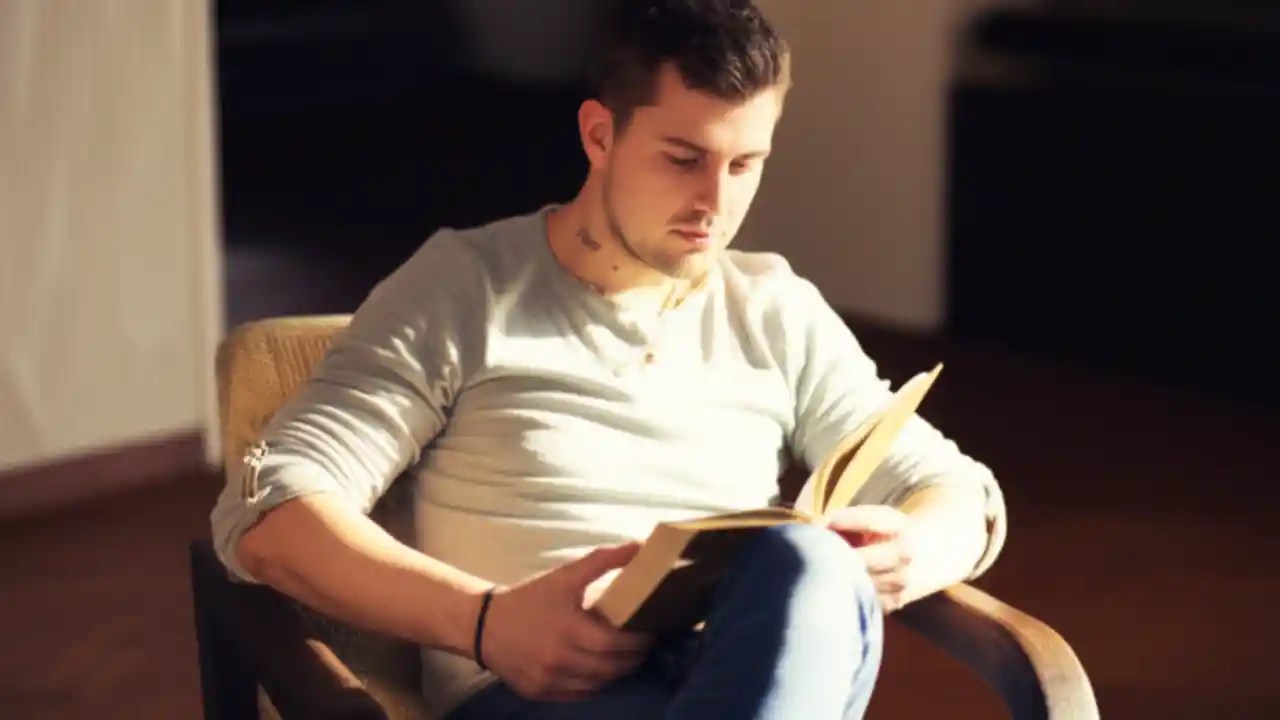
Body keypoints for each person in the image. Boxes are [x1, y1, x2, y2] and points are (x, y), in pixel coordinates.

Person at [210, 1, 1007, 718]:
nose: (714, 206)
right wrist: (485, 621)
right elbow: (266, 508)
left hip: (732, 673)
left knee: (802, 560)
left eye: (744, 165)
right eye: (683, 157)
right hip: (537, 694)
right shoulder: (464, 286)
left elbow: (957, 489)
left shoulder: (775, 307)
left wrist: (917, 551)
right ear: (600, 134)